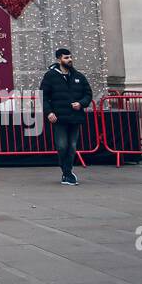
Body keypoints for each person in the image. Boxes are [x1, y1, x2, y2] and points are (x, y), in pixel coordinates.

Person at [40, 47, 93, 186]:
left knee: (73, 145)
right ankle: (66, 172)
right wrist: (49, 112)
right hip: (59, 118)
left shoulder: (78, 76)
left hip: (75, 117)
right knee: (62, 146)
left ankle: (68, 173)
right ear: (59, 59)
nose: (69, 60)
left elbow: (88, 94)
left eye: (70, 57)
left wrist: (81, 103)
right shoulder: (50, 76)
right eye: (66, 58)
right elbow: (43, 96)